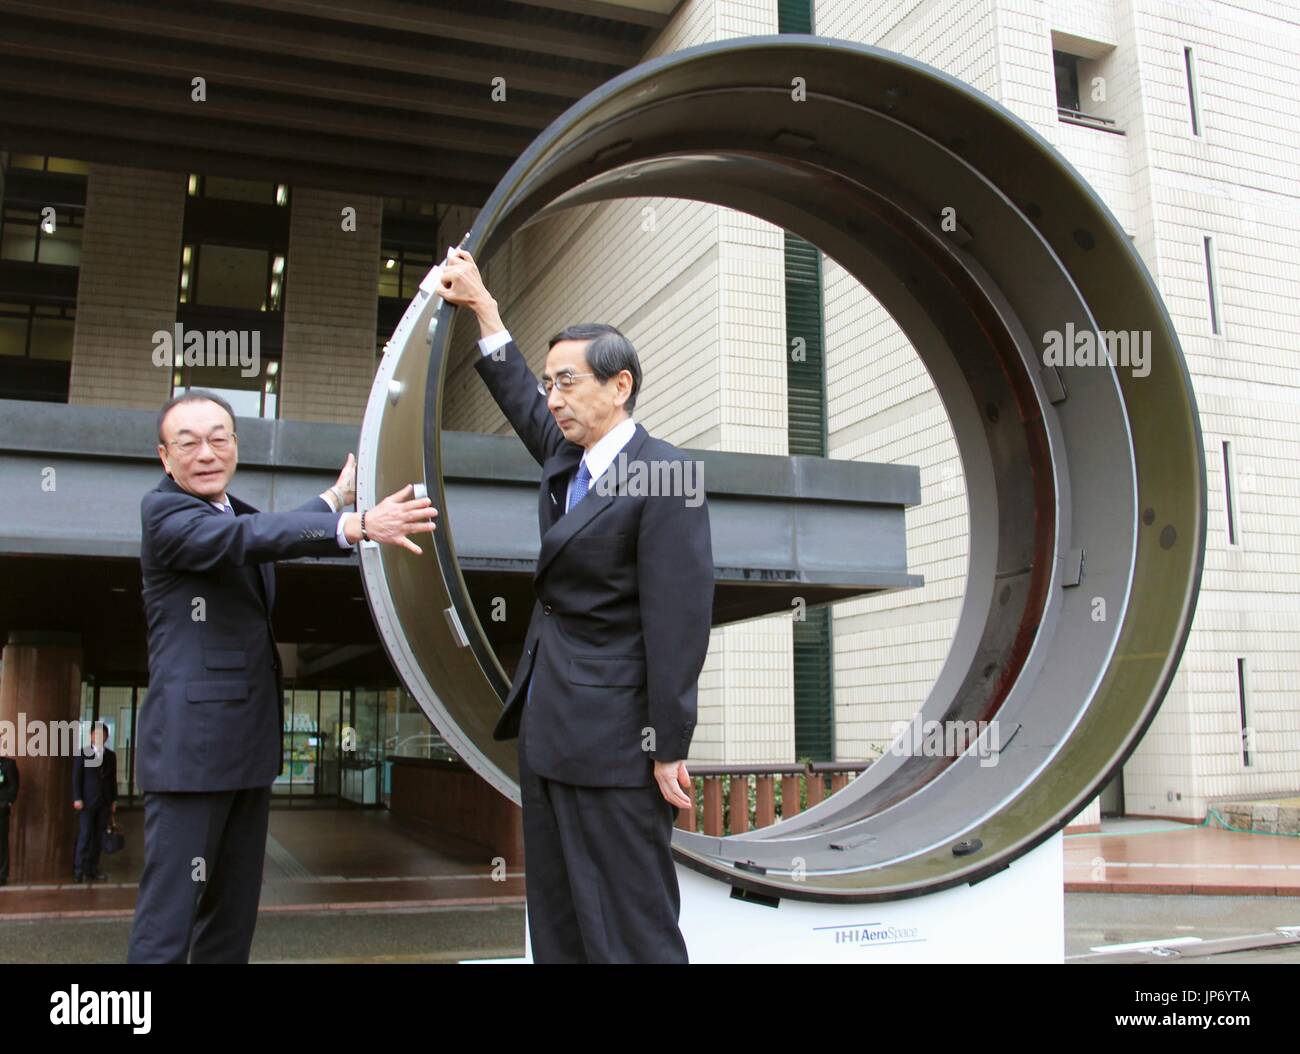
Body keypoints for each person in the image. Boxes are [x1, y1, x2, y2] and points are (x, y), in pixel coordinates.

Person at [436, 248, 714, 963]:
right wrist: (484, 311)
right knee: (557, 919)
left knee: (629, 920)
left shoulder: (669, 475)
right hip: (549, 729)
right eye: (548, 383)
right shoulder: (570, 461)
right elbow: (524, 406)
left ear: (619, 386)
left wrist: (668, 745)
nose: (552, 397)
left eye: (566, 382)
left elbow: (677, 622)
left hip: (621, 743)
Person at [127, 389, 439, 963]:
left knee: (232, 915)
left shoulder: (229, 509)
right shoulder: (165, 512)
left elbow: (270, 527)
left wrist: (334, 499)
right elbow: (251, 539)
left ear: (235, 445)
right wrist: (359, 523)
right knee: (167, 924)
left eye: (219, 438)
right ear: (164, 458)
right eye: (188, 442)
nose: (206, 452)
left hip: (246, 752)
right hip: (191, 759)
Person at [72, 721, 117, 882]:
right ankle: (79, 869)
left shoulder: (110, 756)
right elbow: (77, 778)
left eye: (103, 734)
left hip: (104, 802)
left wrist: (113, 800)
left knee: (99, 837)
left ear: (106, 736)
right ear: (91, 736)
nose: (99, 737)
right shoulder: (83, 753)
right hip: (87, 802)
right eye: (96, 734)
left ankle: (93, 869)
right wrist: (77, 797)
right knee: (85, 835)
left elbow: (112, 779)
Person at [0, 750, 17, 885]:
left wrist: (8, 802)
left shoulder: (8, 764)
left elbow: (14, 785)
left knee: (2, 843)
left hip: (1, 809)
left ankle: (2, 875)